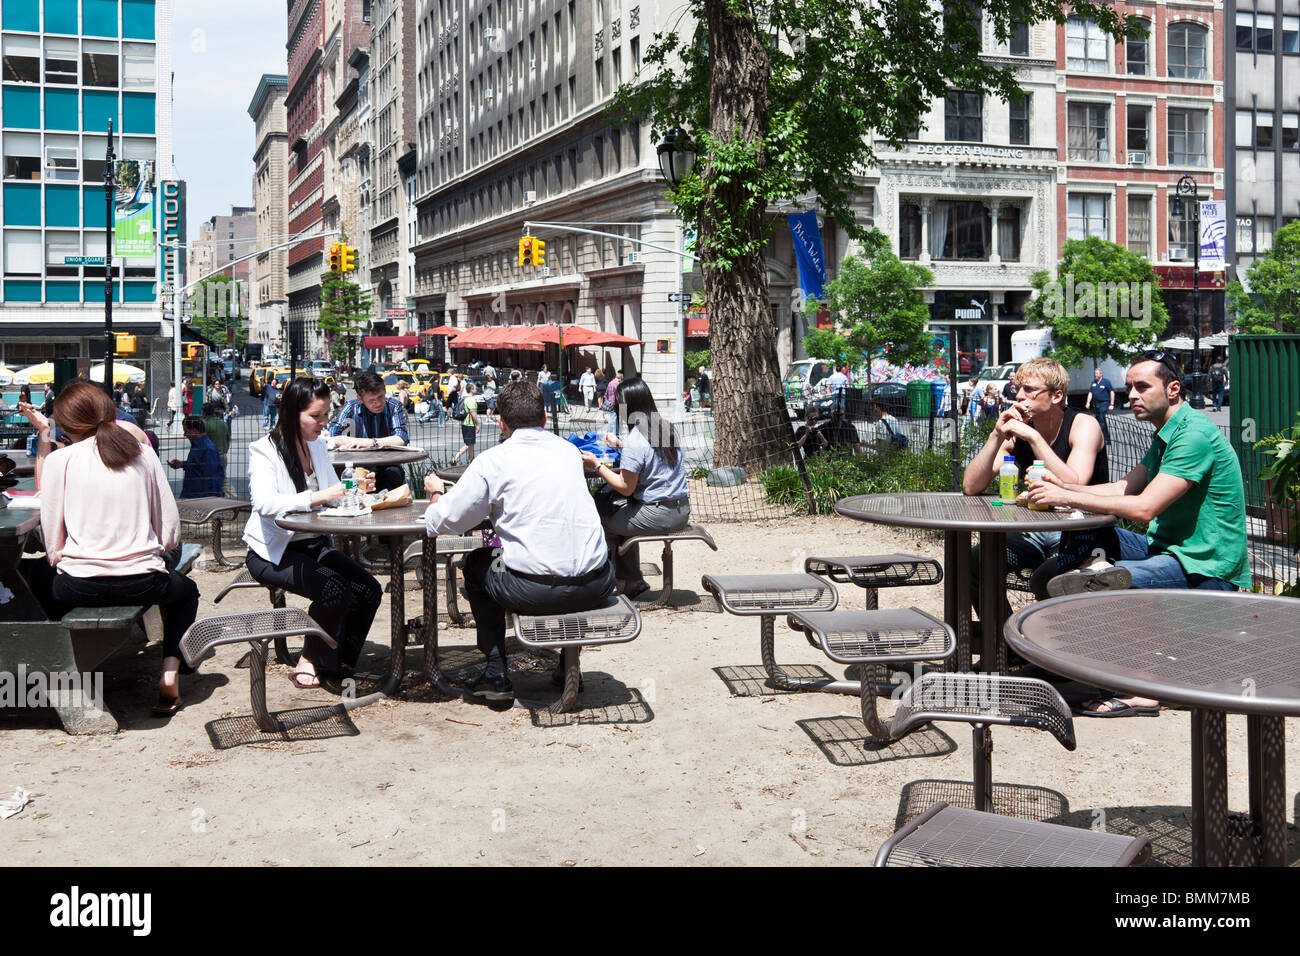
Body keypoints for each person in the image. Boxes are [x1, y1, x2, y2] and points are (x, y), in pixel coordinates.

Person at [1029, 351, 1249, 716]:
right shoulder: (1166, 434)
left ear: (1174, 388)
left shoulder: (1193, 436)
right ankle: (1066, 648)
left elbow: (1145, 507)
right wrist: (1055, 491)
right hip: (1165, 550)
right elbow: (1120, 489)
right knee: (1060, 563)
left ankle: (1143, 688)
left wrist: (1066, 495)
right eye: (1129, 386)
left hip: (1205, 567)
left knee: (1117, 585)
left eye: (1142, 387)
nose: (1131, 394)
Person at [422, 381, 615, 703]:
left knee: (479, 562)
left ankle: (496, 673)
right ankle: (570, 665)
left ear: (501, 422)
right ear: (543, 418)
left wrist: (435, 494)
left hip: (535, 590)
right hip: (597, 581)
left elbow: (447, 521)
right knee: (557, 553)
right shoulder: (568, 451)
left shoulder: (493, 460)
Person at [33, 381, 198, 716]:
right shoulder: (142, 454)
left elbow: (53, 539)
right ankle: (169, 671)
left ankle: (56, 669)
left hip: (77, 584)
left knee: (26, 579)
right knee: (187, 592)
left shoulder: (59, 460)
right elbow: (170, 532)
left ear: (64, 424)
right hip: (144, 581)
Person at [244, 378, 381, 689]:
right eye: (316, 416)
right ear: (294, 414)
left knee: (368, 588)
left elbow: (337, 494)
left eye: (326, 415)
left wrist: (359, 489)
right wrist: (322, 495)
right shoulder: (264, 450)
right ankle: (308, 659)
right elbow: (265, 504)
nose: (324, 422)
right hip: (272, 552)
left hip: (314, 545)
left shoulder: (317, 445)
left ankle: (338, 661)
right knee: (334, 588)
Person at [963, 356, 1108, 618]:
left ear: (1056, 396)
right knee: (973, 563)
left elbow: (1075, 484)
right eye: (1018, 388)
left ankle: (1047, 652)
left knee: (1050, 578)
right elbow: (971, 485)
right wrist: (996, 435)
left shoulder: (1083, 425)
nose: (1018, 396)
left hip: (1079, 530)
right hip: (1034, 530)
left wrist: (1033, 437)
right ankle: (1005, 647)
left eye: (1029, 390)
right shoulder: (1017, 432)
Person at [583, 377, 691, 600]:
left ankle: (605, 579)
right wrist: (621, 444)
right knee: (618, 509)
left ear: (628, 407)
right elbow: (649, 455)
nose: (616, 408)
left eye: (618, 404)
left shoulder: (635, 440)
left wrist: (597, 466)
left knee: (603, 515)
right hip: (680, 509)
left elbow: (625, 487)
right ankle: (631, 580)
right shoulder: (664, 428)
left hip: (658, 514)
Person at [328, 370, 411, 491]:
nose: (377, 403)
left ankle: (387, 507)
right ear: (360, 399)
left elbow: (401, 438)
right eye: (371, 400)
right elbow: (332, 435)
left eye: (380, 397)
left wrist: (370, 442)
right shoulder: (350, 407)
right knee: (345, 477)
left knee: (394, 474)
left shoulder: (394, 406)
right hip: (357, 467)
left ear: (385, 390)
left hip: (385, 466)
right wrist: (354, 442)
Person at [168, 416, 225, 499]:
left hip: (200, 498)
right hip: (192, 495)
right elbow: (197, 466)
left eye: (186, 431)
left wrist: (209, 500)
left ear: (194, 430)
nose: (185, 435)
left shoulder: (208, 448)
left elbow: (211, 477)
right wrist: (182, 464)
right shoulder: (197, 445)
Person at [450, 381, 479, 465]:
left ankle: (472, 461)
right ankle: (455, 458)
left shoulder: (465, 398)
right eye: (475, 388)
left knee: (471, 444)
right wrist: (477, 424)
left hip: (465, 423)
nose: (476, 389)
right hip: (469, 424)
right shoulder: (471, 400)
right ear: (471, 389)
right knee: (469, 444)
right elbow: (473, 413)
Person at [201, 401, 231, 479]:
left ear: (204, 412)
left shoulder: (204, 424)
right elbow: (228, 441)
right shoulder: (223, 423)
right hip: (223, 456)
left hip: (210, 457)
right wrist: (224, 452)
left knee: (209, 481)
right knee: (222, 480)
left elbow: (201, 442)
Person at [1085, 366, 1115, 444]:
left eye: (1097, 373)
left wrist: (1111, 404)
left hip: (1104, 403)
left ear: (1101, 374)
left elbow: (1112, 392)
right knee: (1099, 420)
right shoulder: (1093, 382)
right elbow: (1090, 393)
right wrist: (1088, 402)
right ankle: (1106, 438)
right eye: (1095, 373)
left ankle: (1102, 439)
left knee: (1101, 419)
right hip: (1096, 404)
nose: (1095, 375)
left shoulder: (1106, 382)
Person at [604, 370, 624, 435]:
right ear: (620, 378)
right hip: (615, 402)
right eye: (622, 379)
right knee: (613, 417)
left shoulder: (610, 382)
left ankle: (617, 432)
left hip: (610, 402)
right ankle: (608, 432)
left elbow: (606, 393)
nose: (622, 381)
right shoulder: (617, 384)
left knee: (616, 417)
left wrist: (606, 400)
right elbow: (619, 394)